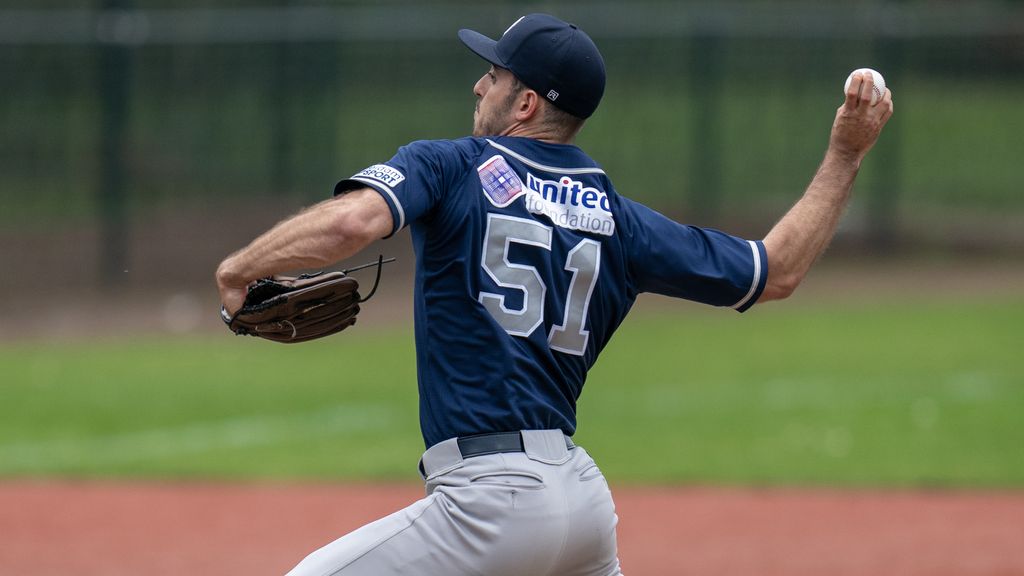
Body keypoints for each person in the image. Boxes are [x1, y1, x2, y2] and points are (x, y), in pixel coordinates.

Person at [216, 13, 893, 576]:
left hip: (487, 508)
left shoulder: (450, 165)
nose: (479, 83)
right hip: (580, 504)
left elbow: (352, 222)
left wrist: (240, 270)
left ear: (526, 103)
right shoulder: (620, 220)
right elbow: (774, 271)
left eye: (494, 73)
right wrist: (845, 155)